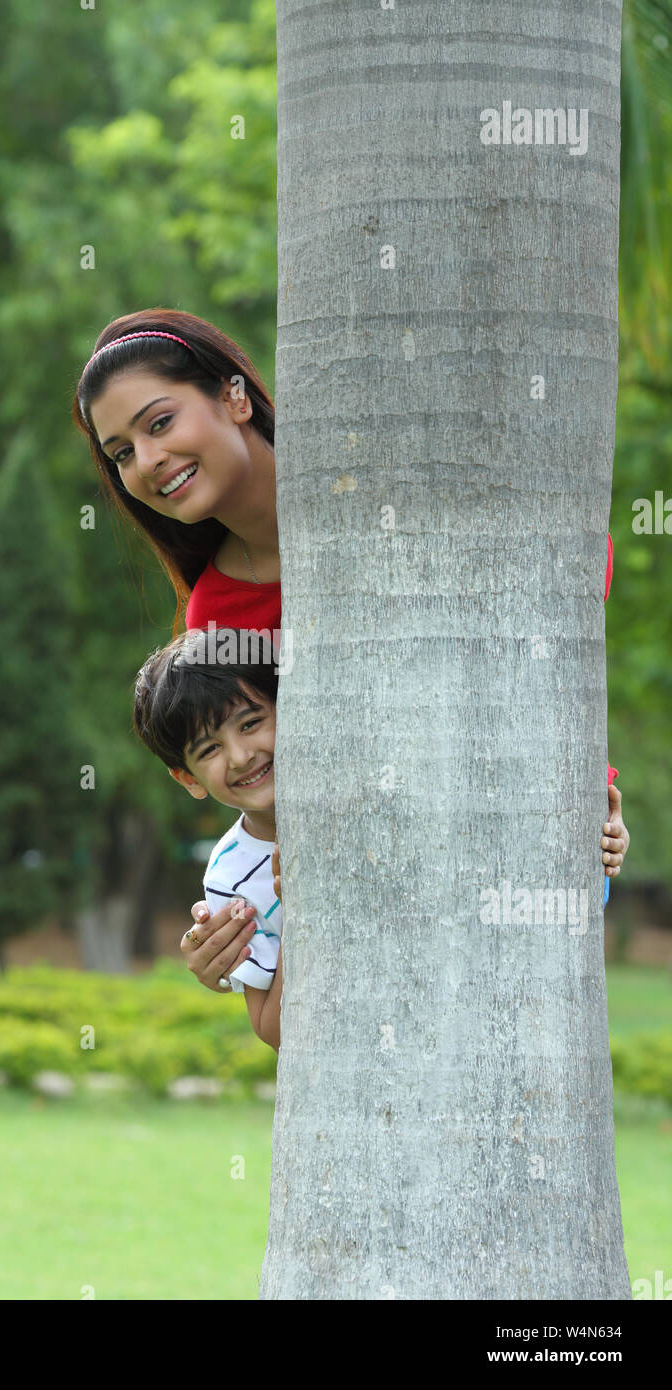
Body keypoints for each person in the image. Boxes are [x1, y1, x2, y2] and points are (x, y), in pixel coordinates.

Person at [73, 308, 629, 992]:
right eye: (122, 452)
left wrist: (588, 786)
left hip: (524, 839)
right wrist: (236, 936)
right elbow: (277, 772)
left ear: (234, 396)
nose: (148, 461)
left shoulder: (378, 474)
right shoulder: (214, 616)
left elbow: (567, 564)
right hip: (394, 898)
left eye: (159, 423)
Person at [131, 630, 283, 1051]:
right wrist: (304, 909)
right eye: (210, 749)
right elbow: (274, 1030)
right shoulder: (229, 880)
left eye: (251, 723)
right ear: (187, 779)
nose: (240, 756)